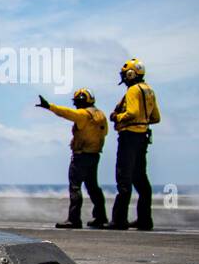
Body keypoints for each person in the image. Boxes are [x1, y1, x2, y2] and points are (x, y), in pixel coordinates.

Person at [36, 89, 108, 229]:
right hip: (94, 155)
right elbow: (104, 133)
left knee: (75, 187)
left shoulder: (83, 114)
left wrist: (49, 106)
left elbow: (67, 113)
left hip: (81, 156)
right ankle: (101, 217)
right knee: (93, 187)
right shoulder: (100, 115)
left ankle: (74, 219)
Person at [109, 58, 160, 231]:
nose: (124, 77)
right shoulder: (149, 90)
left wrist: (117, 117)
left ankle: (119, 220)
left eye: (125, 74)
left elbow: (132, 112)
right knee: (141, 179)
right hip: (142, 138)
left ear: (131, 74)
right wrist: (142, 122)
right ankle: (145, 220)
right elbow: (156, 118)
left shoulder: (132, 90)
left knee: (124, 178)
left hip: (129, 137)